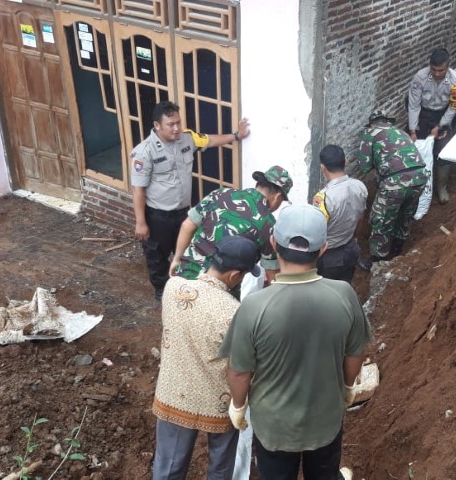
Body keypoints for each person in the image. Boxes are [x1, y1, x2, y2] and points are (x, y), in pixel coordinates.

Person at [220, 204, 373, 480]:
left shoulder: (254, 306)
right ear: (324, 248)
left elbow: (239, 371)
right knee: (324, 473)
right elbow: (354, 354)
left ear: (273, 243)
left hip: (274, 425)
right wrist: (348, 388)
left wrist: (239, 405)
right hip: (326, 418)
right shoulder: (344, 295)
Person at [151, 235, 261, 480]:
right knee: (221, 466)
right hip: (218, 402)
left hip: (174, 395)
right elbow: (240, 367)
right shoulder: (234, 312)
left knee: (168, 467)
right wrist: (239, 405)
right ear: (234, 276)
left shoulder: (172, 289)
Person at [131, 100, 250, 301]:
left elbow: (209, 140)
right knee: (157, 256)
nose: (176, 128)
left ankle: (185, 286)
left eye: (178, 122)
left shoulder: (186, 139)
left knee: (188, 251)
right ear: (157, 125)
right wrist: (141, 222)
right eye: (171, 124)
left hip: (183, 212)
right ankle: (163, 292)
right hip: (158, 215)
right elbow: (138, 189)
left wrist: (236, 135)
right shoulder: (144, 152)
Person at [170, 166, 293, 286]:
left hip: (186, 273)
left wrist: (176, 259)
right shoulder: (269, 225)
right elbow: (272, 274)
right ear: (278, 197)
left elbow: (187, 225)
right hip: (219, 288)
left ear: (258, 184)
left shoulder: (220, 193)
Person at [351, 110, 428, 271]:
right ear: (387, 121)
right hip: (420, 178)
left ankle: (378, 260)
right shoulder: (401, 132)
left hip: (395, 183)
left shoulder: (370, 133)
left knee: (382, 219)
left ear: (372, 123)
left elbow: (364, 167)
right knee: (405, 214)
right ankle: (397, 251)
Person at [407, 48, 456, 205]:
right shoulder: (420, 77)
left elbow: (454, 107)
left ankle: (441, 187)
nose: (437, 73)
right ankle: (414, 187)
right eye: (434, 69)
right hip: (423, 115)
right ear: (429, 65)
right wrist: (413, 130)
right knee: (415, 151)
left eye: (441, 70)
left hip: (443, 115)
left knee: (443, 151)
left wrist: (441, 126)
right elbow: (413, 105)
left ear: (448, 67)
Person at [312, 145, 368, 283]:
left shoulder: (323, 198)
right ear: (346, 162)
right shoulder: (360, 186)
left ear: (322, 167)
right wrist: (354, 239)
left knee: (326, 292)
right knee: (345, 286)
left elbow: (317, 233)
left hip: (330, 257)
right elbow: (361, 218)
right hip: (351, 249)